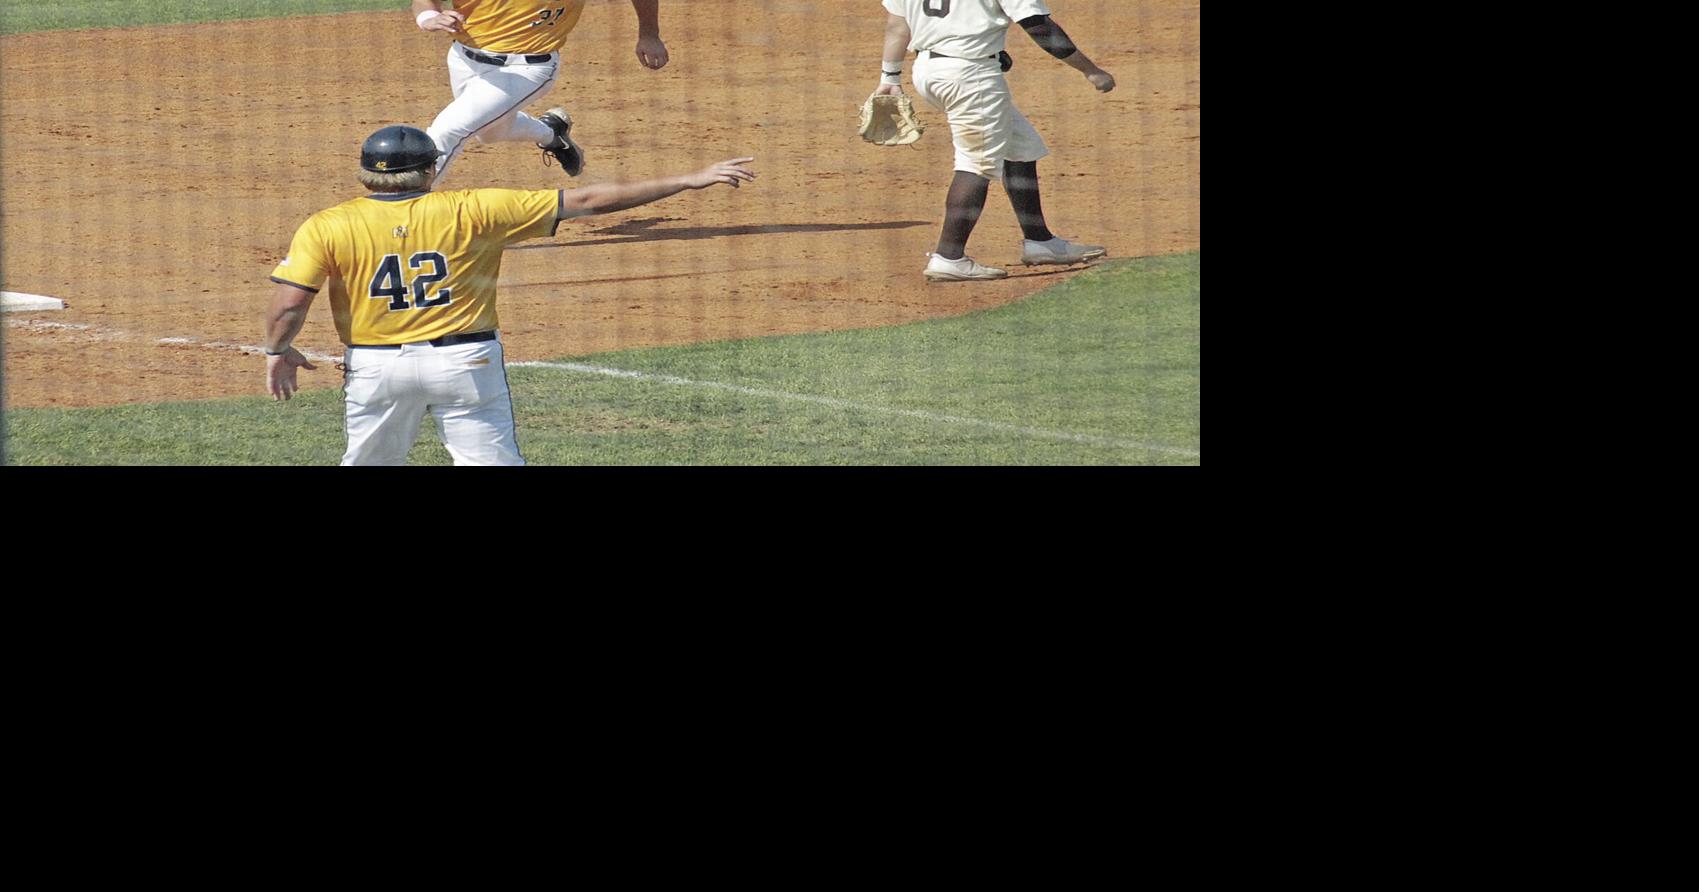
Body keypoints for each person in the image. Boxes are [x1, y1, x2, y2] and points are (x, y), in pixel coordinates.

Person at [262, 125, 756, 466]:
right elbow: (585, 200)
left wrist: (278, 352)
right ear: (430, 171)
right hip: (466, 363)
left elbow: (289, 304)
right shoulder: (475, 208)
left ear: (365, 172)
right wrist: (687, 180)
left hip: (375, 368)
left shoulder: (326, 224)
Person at [876, 1, 1116, 282]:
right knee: (975, 163)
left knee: (1020, 145)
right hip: (970, 76)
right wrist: (1091, 70)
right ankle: (949, 257)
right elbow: (1038, 27)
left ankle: (1040, 241)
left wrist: (889, 77)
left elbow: (896, 24)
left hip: (930, 71)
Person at [411, 1, 671, 185]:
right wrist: (429, 18)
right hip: (462, 59)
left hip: (528, 68)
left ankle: (407, 214)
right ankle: (552, 133)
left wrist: (649, 34)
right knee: (489, 134)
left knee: (448, 129)